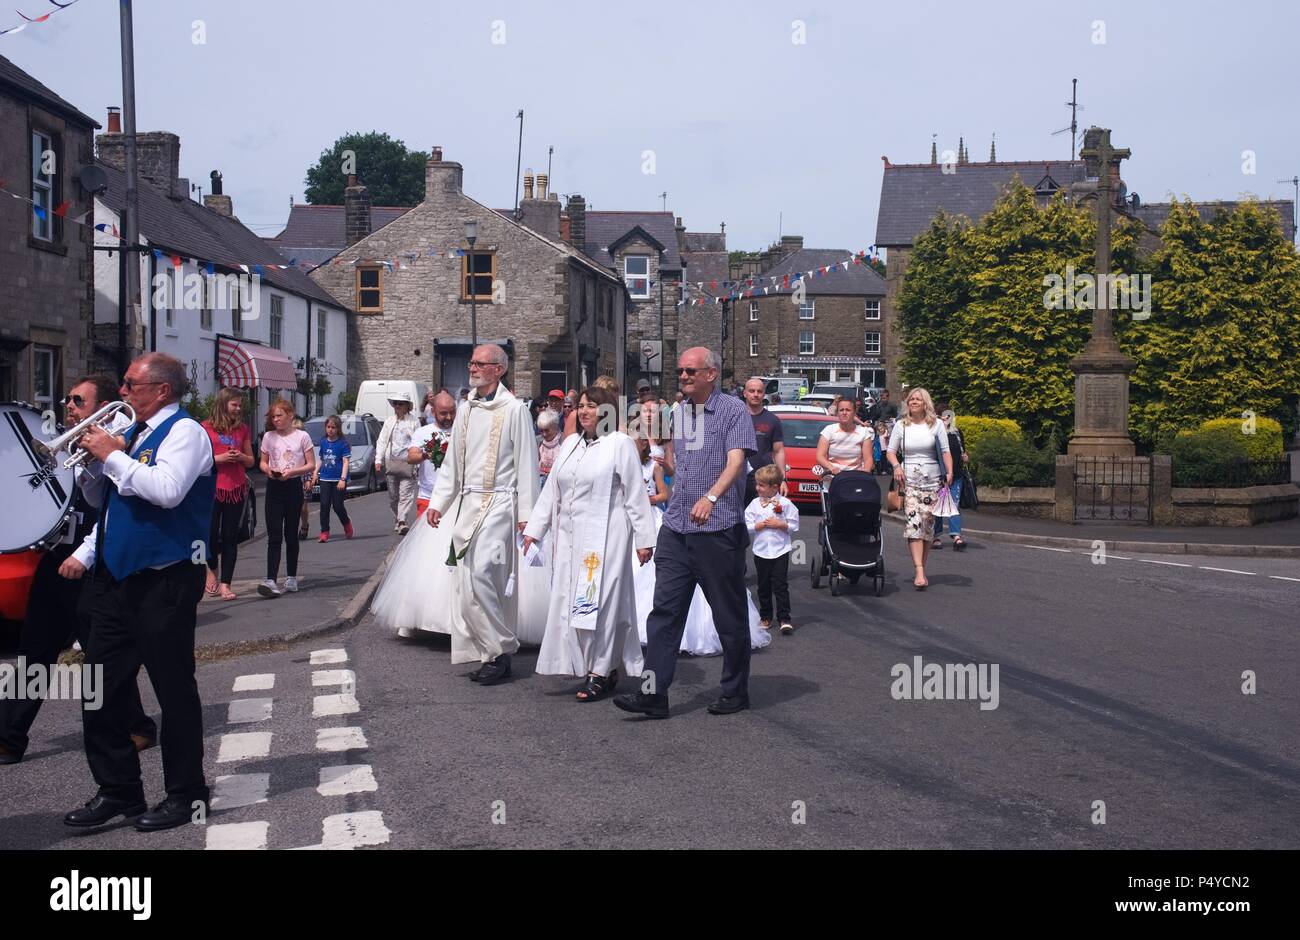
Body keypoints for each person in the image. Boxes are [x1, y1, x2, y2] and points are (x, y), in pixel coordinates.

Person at [68, 352, 214, 832]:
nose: (123, 393)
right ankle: (119, 791)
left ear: (162, 391)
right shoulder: (132, 434)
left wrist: (112, 454)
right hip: (116, 579)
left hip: (166, 579)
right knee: (101, 690)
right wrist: (93, 465)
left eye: (131, 385)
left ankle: (186, 793)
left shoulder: (186, 433)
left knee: (173, 691)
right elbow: (102, 503)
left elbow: (167, 490)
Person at [0, 376, 156, 766]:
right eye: (67, 399)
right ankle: (9, 736)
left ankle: (136, 726)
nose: (68, 406)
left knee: (103, 655)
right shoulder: (57, 447)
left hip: (94, 565)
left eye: (78, 401)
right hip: (55, 563)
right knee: (34, 650)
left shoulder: (117, 448)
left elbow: (116, 506)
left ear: (101, 407)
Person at [614, 346, 757, 720]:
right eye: (680, 371)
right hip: (677, 527)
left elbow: (737, 460)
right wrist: (662, 460)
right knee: (664, 613)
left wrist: (711, 496)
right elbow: (681, 461)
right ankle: (653, 693)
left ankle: (735, 690)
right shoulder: (679, 413)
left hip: (718, 528)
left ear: (711, 374)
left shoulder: (733, 410)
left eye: (690, 371)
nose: (683, 377)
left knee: (728, 616)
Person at [522, 386, 656, 702]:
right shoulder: (570, 444)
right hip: (569, 540)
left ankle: (599, 670)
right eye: (580, 406)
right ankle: (601, 667)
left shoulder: (619, 444)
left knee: (604, 604)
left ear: (607, 410)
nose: (583, 411)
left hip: (607, 537)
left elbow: (636, 494)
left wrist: (644, 539)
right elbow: (551, 490)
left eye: (592, 406)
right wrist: (535, 528)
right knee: (573, 603)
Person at [427, 344, 540, 684]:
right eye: (472, 362)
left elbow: (527, 465)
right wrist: (438, 502)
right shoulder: (467, 408)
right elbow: (453, 464)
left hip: (500, 504)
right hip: (468, 505)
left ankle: (501, 649)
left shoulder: (515, 409)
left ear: (498, 369)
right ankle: (492, 654)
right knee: (465, 583)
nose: (472, 367)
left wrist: (527, 515)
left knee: (483, 575)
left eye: (480, 363)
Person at [371, 391, 460, 639]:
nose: (448, 417)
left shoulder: (462, 430)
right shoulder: (423, 432)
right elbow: (411, 456)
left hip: (456, 499)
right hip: (429, 497)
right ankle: (413, 614)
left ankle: (449, 613)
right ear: (434, 411)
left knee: (451, 555)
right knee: (423, 555)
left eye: (452, 412)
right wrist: (427, 453)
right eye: (444, 413)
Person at [886, 387, 954, 590]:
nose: (913, 402)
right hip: (909, 482)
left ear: (926, 403)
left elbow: (945, 451)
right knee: (914, 524)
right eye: (911, 399)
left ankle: (921, 567)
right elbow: (890, 451)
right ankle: (919, 571)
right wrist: (897, 466)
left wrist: (949, 472)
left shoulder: (937, 425)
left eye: (918, 399)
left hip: (932, 481)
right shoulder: (901, 425)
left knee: (927, 526)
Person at [258, 399, 315, 598]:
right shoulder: (268, 437)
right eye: (273, 417)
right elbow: (262, 463)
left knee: (291, 533)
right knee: (274, 534)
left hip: (292, 486)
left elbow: (310, 464)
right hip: (274, 486)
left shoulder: (302, 436)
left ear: (290, 415)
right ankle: (271, 579)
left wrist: (292, 472)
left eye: (279, 416)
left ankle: (291, 576)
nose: (276, 420)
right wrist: (269, 470)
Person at [201, 387, 254, 600]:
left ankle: (226, 583)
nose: (238, 409)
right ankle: (211, 570)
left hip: (235, 487)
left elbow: (251, 461)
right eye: (235, 405)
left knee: (230, 537)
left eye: (240, 405)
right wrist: (219, 459)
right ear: (224, 404)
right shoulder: (205, 428)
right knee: (209, 535)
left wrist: (240, 456)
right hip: (212, 488)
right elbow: (195, 460)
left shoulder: (242, 429)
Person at [745, 463, 799, 635]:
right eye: (757, 484)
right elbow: (745, 524)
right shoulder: (754, 504)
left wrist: (781, 524)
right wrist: (757, 526)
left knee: (780, 584)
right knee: (763, 585)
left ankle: (784, 618)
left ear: (774, 487)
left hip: (780, 550)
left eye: (761, 485)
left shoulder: (785, 504)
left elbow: (794, 525)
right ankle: (766, 616)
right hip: (761, 550)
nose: (757, 488)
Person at [375, 392, 422, 534]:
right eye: (395, 403)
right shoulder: (389, 421)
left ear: (407, 406)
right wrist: (378, 459)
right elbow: (382, 440)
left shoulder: (414, 422)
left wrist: (418, 464)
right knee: (393, 496)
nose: (397, 406)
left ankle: (402, 521)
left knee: (406, 494)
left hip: (408, 462)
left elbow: (419, 441)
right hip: (392, 461)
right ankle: (398, 518)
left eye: (400, 404)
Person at [742, 377, 787, 504]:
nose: (755, 394)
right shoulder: (736, 418)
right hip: (738, 478)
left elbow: (778, 451)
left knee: (763, 520)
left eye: (759, 391)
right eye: (751, 391)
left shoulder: (773, 420)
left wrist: (782, 479)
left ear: (764, 394)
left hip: (765, 480)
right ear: (744, 393)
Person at [310, 415, 353, 543]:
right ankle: (324, 532)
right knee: (324, 505)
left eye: (333, 427)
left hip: (338, 479)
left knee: (338, 506)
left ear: (338, 429)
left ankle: (347, 523)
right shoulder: (323, 442)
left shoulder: (343, 443)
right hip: (325, 478)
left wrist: (343, 479)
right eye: (328, 427)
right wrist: (315, 473)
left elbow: (345, 462)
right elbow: (321, 460)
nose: (330, 430)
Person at [934, 409, 968, 550]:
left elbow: (963, 451)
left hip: (957, 475)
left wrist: (965, 457)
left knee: (954, 504)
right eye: (943, 415)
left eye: (949, 415)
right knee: (938, 506)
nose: (946, 418)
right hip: (940, 475)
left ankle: (956, 537)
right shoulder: (934, 433)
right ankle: (936, 536)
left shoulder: (957, 433)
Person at [817, 398, 875, 479]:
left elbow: (868, 459)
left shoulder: (864, 433)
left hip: (855, 479)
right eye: (841, 410)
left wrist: (865, 474)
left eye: (848, 410)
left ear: (854, 413)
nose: (844, 413)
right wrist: (832, 468)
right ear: (837, 413)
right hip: (833, 479)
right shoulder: (828, 430)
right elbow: (820, 456)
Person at [537, 407, 562, 486]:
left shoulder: (563, 442)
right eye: (541, 430)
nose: (544, 434)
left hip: (556, 482)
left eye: (547, 430)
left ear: (555, 427)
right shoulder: (538, 442)